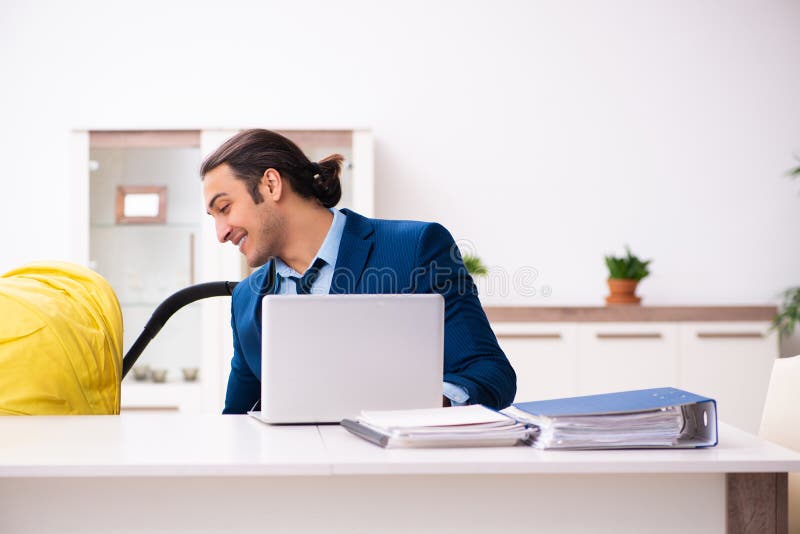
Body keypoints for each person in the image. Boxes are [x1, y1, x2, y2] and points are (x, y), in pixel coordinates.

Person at [201, 129, 516, 413]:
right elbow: (237, 424)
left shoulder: (414, 249)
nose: (220, 233)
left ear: (271, 185)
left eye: (224, 208)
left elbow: (490, 373)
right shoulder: (246, 300)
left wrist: (422, 406)